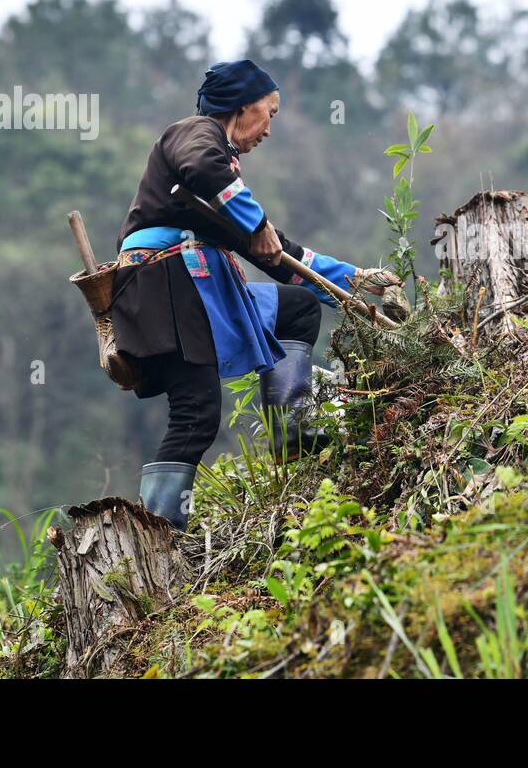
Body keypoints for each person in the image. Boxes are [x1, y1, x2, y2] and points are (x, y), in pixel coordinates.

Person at [109, 59, 399, 530]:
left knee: (300, 308)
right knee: (196, 414)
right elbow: (210, 175)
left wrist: (354, 283)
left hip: (202, 292)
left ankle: (293, 433)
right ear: (242, 107)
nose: (269, 127)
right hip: (166, 293)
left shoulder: (221, 184)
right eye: (270, 111)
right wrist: (257, 224)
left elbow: (278, 254)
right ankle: (157, 538)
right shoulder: (195, 134)